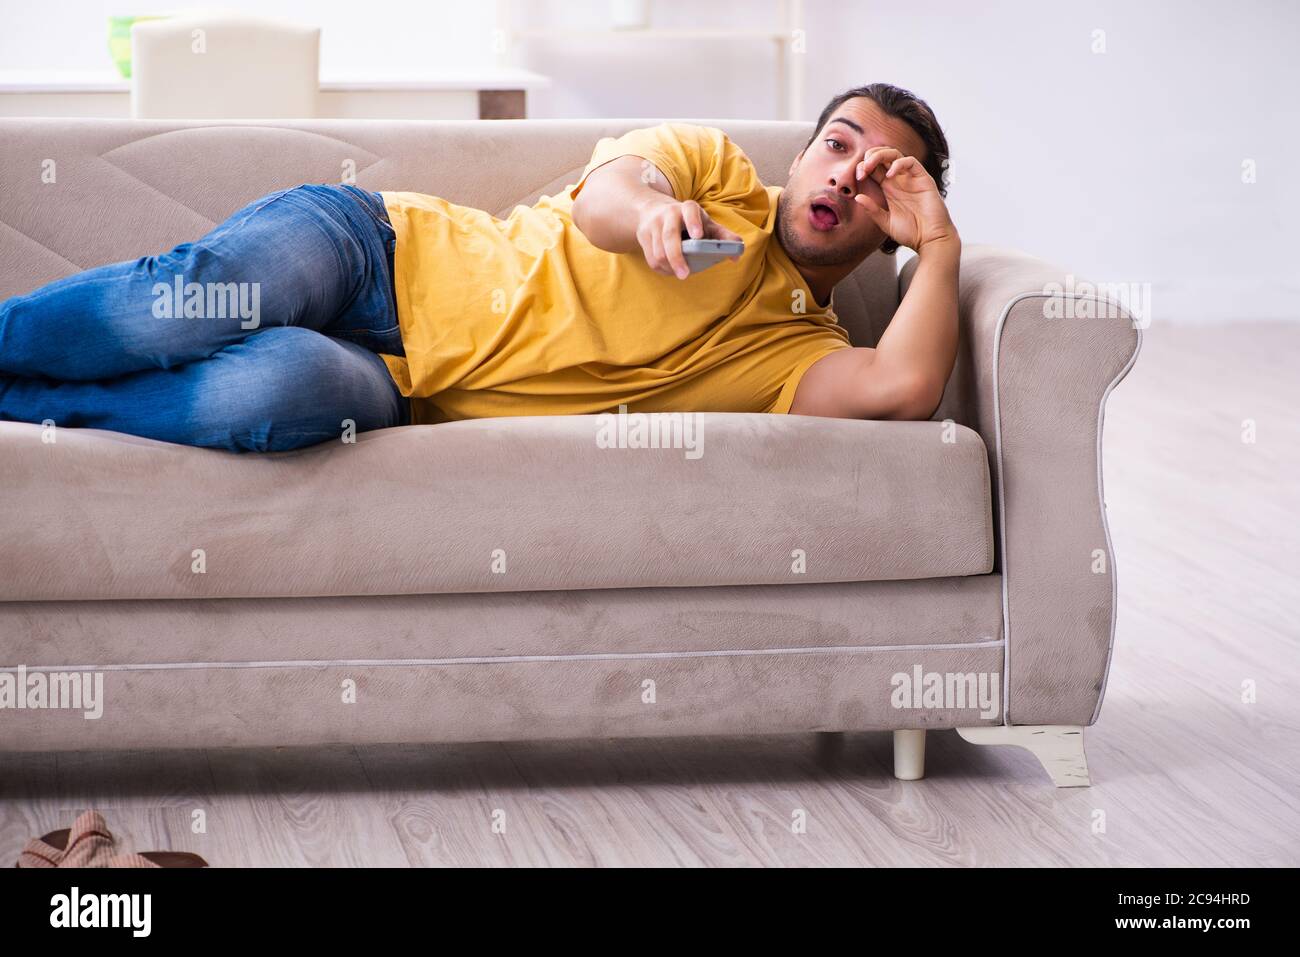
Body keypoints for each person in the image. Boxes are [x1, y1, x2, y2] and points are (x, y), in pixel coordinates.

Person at [0, 83, 957, 452]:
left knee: (264, 397)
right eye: (837, 144)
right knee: (182, 311)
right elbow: (605, 197)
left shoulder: (794, 352)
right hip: (376, 251)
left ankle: (24, 403)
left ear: (891, 232)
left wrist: (943, 245)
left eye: (879, 178)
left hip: (396, 385)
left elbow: (906, 387)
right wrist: (657, 213)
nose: (846, 173)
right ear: (800, 156)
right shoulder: (710, 169)